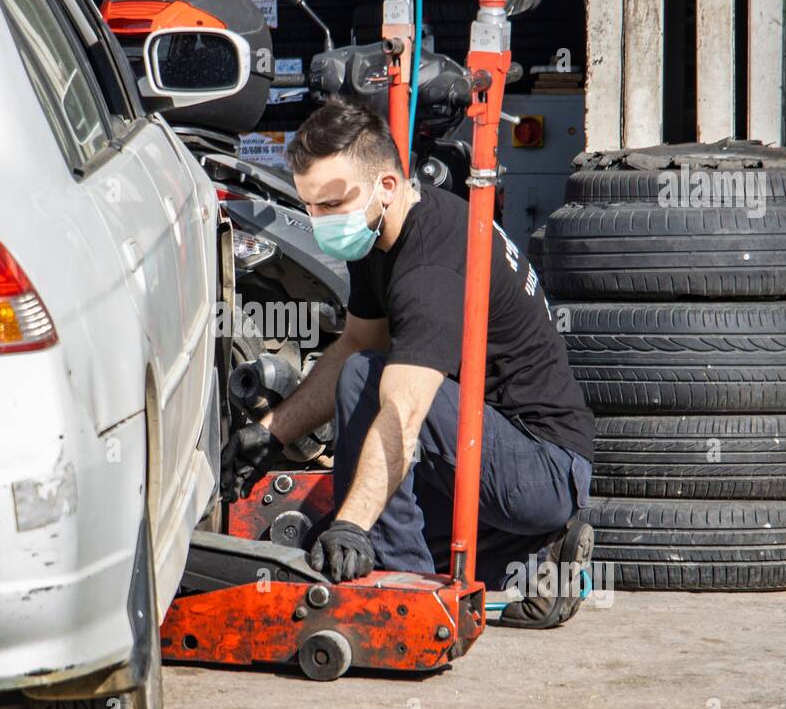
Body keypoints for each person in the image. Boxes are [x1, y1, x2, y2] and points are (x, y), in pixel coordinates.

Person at [222, 96, 596, 628]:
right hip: (487, 457)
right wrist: (271, 432)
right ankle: (534, 563)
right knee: (312, 545)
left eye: (332, 203)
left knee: (367, 392)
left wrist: (353, 525)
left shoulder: (432, 263)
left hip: (543, 466)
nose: (320, 220)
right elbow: (353, 342)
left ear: (388, 187)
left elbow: (402, 409)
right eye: (310, 206)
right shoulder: (381, 239)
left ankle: (409, 600)